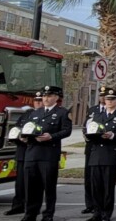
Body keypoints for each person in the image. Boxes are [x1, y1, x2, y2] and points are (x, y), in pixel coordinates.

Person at [21, 85, 72, 221]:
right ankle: (30, 213)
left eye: (49, 96)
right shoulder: (35, 113)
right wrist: (23, 136)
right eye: (44, 96)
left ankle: (48, 214)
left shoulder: (62, 112)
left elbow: (67, 131)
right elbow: (27, 129)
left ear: (56, 98)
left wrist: (52, 136)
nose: (46, 98)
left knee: (48, 187)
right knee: (31, 187)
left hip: (48, 155)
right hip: (32, 154)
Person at [87, 86, 116, 221]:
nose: (109, 101)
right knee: (95, 186)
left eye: (113, 99)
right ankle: (97, 213)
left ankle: (106, 213)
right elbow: (89, 130)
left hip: (110, 154)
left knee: (108, 187)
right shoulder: (97, 115)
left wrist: (112, 136)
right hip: (96, 154)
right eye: (107, 99)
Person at [5, 90, 42, 216]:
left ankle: (30, 207)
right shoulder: (27, 114)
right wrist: (18, 136)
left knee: (33, 182)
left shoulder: (46, 115)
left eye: (40, 101)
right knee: (20, 181)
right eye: (36, 101)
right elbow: (16, 127)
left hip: (36, 152)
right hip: (22, 151)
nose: (38, 103)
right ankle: (18, 205)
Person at [83, 86, 108, 216]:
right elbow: (85, 125)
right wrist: (86, 136)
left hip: (104, 148)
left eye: (104, 96)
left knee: (102, 179)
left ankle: (101, 204)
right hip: (91, 147)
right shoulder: (93, 110)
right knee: (89, 178)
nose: (102, 98)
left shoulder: (110, 111)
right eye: (101, 96)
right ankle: (89, 204)